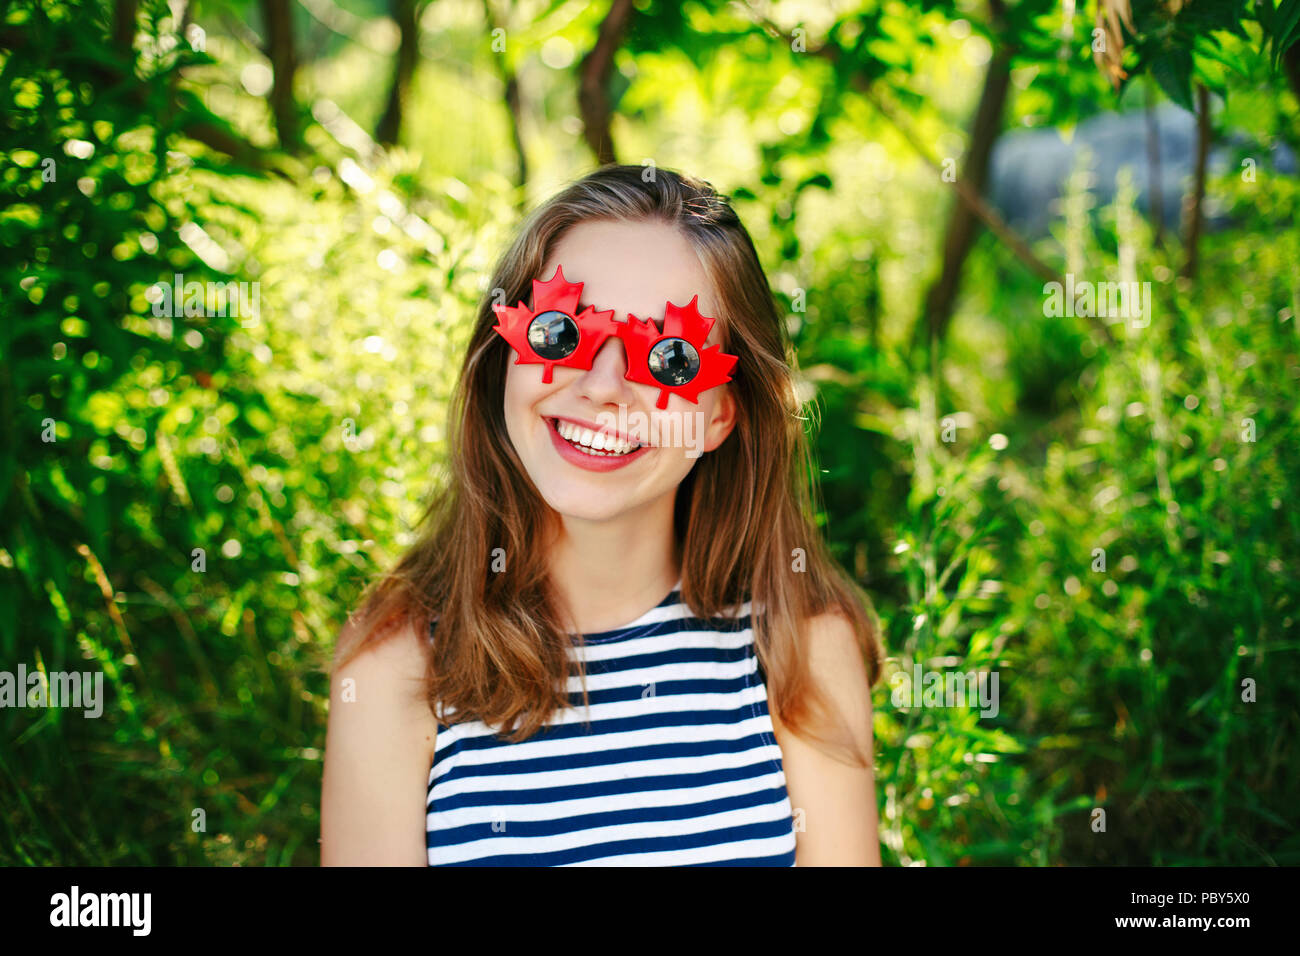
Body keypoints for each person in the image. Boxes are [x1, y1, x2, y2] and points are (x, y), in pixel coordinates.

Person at [321, 164, 884, 866]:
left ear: (721, 416)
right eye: (562, 333)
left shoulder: (799, 648)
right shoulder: (396, 664)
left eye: (669, 358)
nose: (603, 388)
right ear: (506, 357)